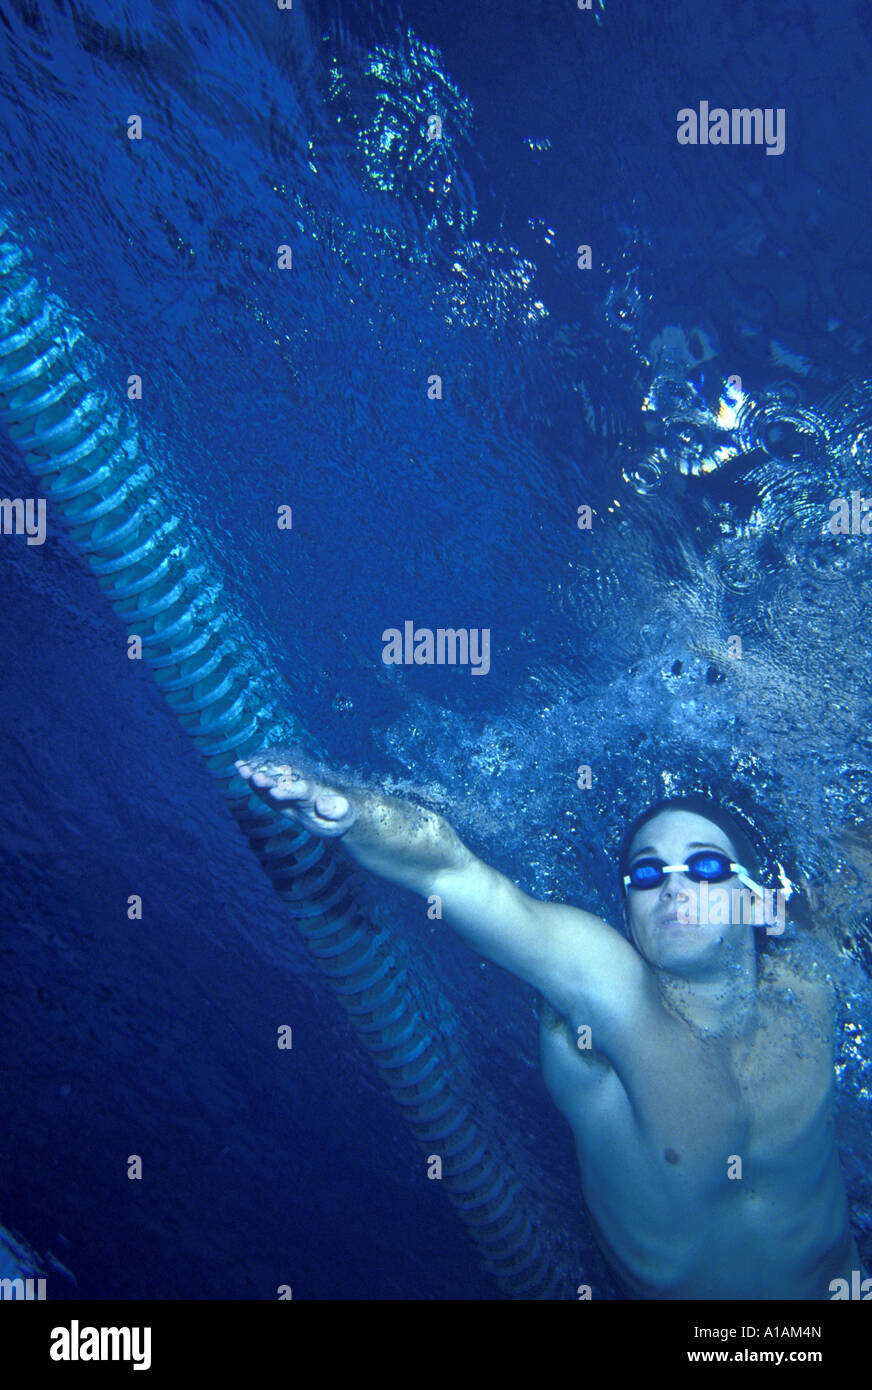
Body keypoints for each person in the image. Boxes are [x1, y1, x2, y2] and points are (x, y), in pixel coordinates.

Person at [235, 751, 864, 1300]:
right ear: (629, 909)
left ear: (760, 900)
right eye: (647, 874)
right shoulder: (612, 999)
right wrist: (351, 812)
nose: (672, 890)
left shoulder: (807, 987)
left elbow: (855, 857)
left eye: (703, 868)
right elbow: (451, 872)